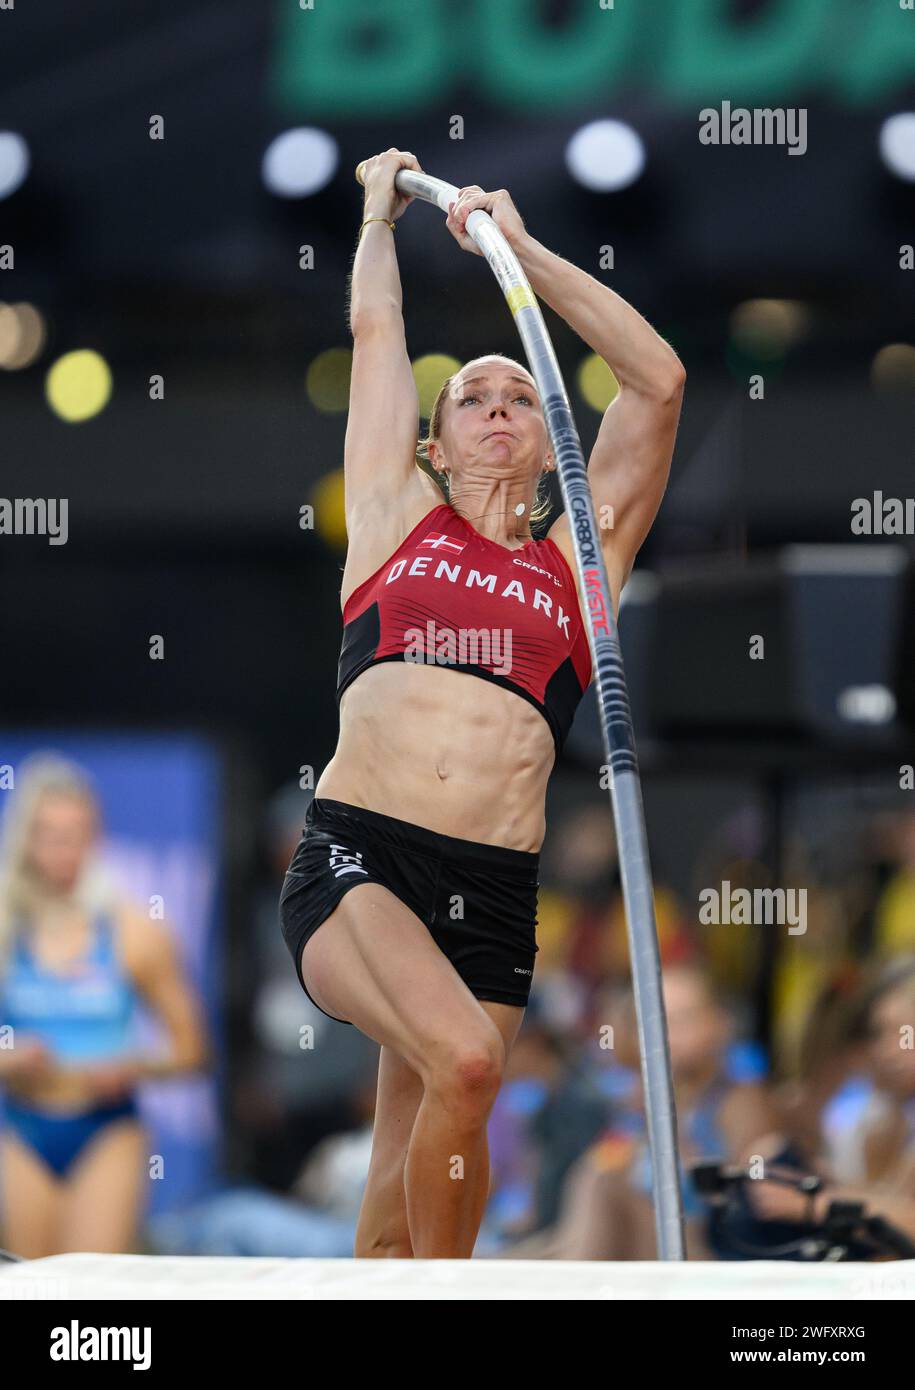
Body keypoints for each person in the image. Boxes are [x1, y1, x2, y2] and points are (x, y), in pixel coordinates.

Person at [279, 148, 686, 1258]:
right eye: (474, 396)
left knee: (395, 1218)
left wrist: (528, 251)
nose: (500, 407)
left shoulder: (579, 555)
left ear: (549, 439)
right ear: (433, 440)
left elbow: (656, 383)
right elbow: (375, 337)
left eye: (520, 394)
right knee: (467, 1062)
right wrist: (378, 218)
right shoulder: (393, 516)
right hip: (361, 861)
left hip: (495, 895)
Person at [0, 755, 211, 1257]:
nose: (64, 852)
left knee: (93, 1283)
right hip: (25, 1124)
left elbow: (193, 1051)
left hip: (106, 1128)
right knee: (31, 1281)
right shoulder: (8, 931)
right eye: (50, 835)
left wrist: (132, 1065)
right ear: (26, 840)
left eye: (77, 835)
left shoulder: (134, 932)